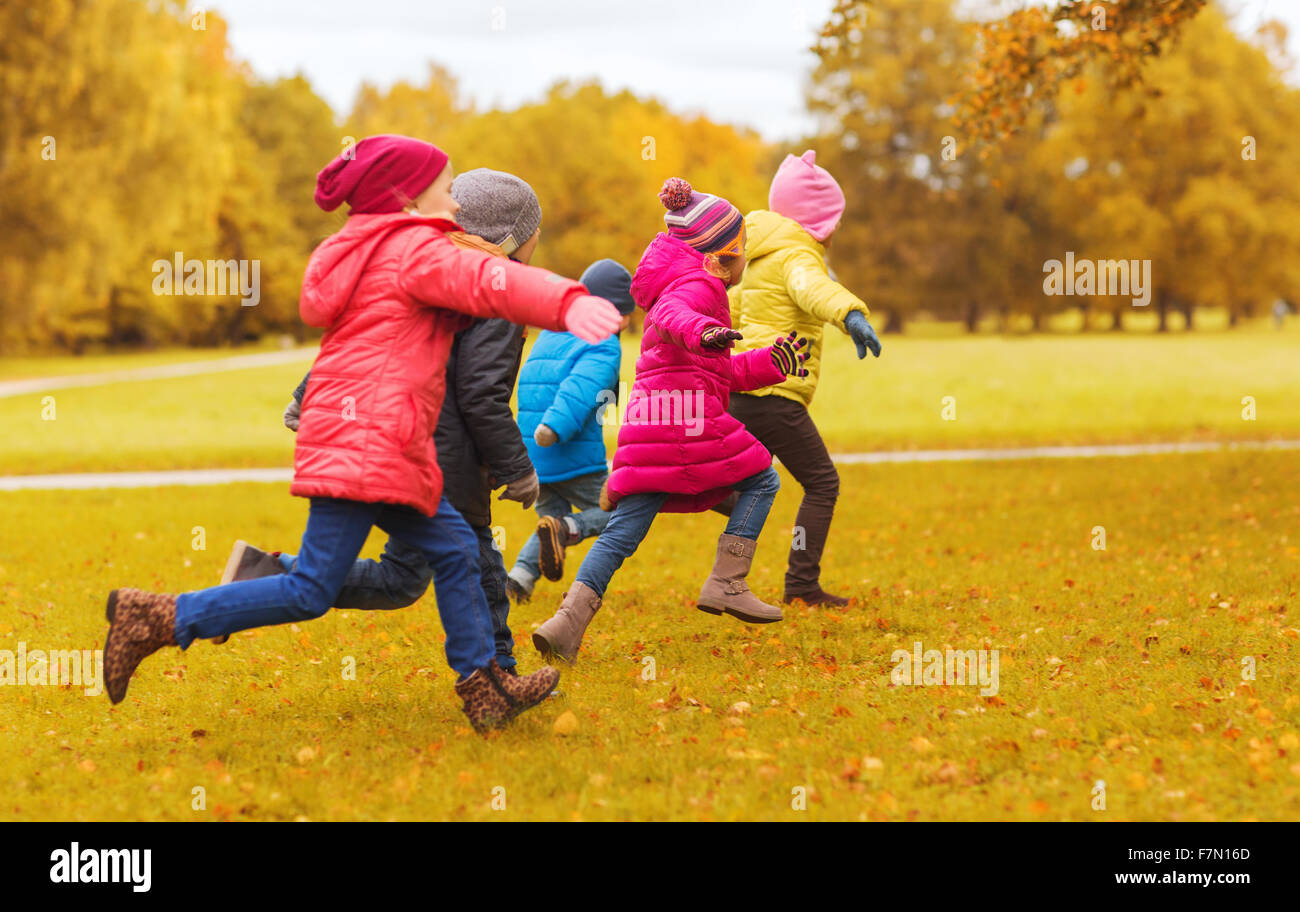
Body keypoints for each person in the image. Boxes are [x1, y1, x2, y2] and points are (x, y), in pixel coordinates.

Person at [100, 135, 621, 732]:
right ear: (408, 201)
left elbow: (362, 336)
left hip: (386, 448)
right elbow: (499, 288)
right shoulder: (423, 257)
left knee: (447, 554)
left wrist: (307, 397)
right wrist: (569, 302)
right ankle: (159, 617)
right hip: (370, 447)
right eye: (444, 191)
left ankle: (486, 688)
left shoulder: (384, 255)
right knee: (315, 588)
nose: (453, 203)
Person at [224, 169, 550, 675]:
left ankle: (262, 575)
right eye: (534, 235)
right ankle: (496, 676)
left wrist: (307, 396)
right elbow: (481, 396)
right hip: (441, 454)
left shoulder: (420, 266)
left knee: (401, 579)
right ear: (511, 239)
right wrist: (518, 469)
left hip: (407, 441)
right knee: (478, 562)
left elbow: (370, 335)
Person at [531, 177, 808, 663]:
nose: (745, 258)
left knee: (621, 532)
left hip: (652, 424)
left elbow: (719, 372)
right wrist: (707, 332)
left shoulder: (682, 283)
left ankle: (565, 624)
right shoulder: (697, 286)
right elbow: (677, 320)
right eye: (742, 249)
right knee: (762, 480)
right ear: (721, 254)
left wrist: (771, 362)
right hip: (685, 422)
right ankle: (727, 582)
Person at [726, 150, 882, 606]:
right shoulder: (797, 256)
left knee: (751, 482)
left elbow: (733, 311)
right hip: (776, 394)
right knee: (822, 483)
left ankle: (717, 507)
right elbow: (813, 289)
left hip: (743, 390)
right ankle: (801, 586)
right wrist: (850, 313)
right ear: (821, 223)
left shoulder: (756, 258)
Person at [506, 259, 635, 603]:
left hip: (535, 457)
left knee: (550, 517)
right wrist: (555, 427)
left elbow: (534, 385)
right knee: (623, 511)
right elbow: (579, 389)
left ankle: (518, 578)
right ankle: (570, 530)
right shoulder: (602, 342)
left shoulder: (552, 333)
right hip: (568, 451)